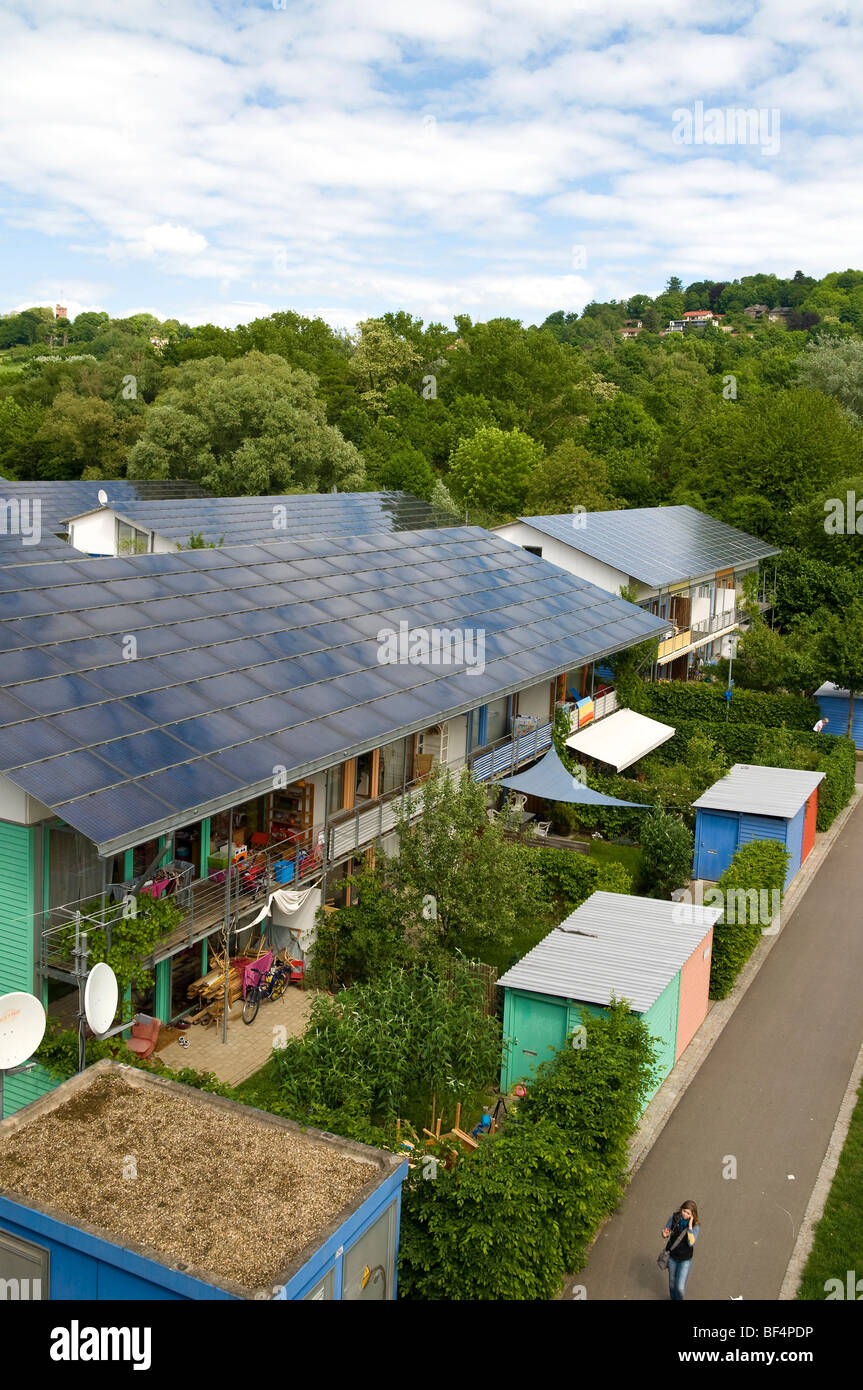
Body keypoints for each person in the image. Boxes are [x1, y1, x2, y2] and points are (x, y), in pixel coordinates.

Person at [661, 1201, 700, 1300]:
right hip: (672, 1257)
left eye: (688, 1213)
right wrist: (665, 1233)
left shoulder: (695, 1226)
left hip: (685, 1259)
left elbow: (691, 1243)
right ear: (681, 1209)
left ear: (693, 1215)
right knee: (672, 1284)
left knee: (680, 1288)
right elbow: (667, 1230)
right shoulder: (674, 1218)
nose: (685, 1214)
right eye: (684, 1211)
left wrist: (690, 1227)